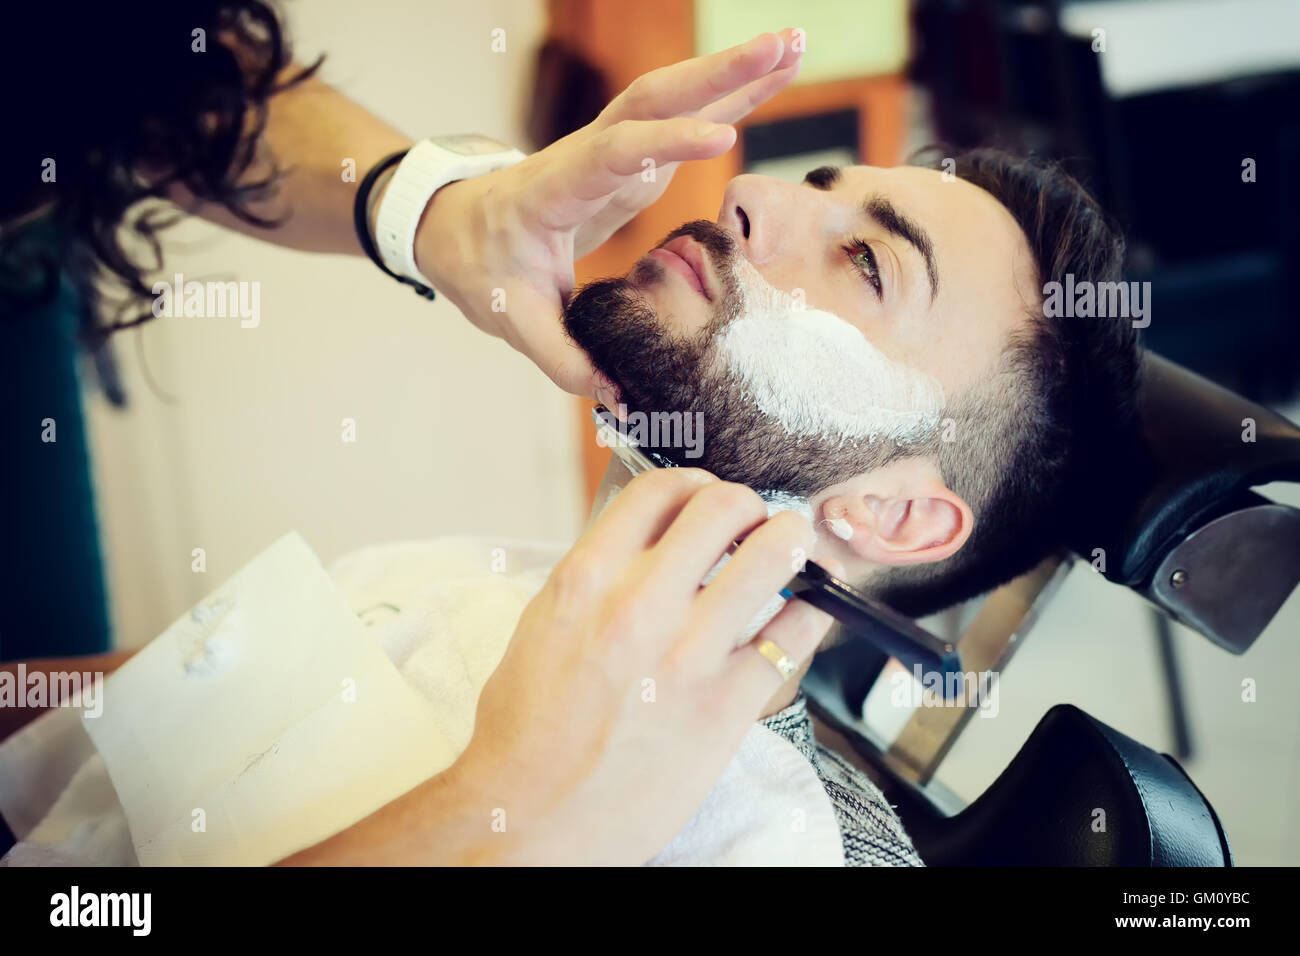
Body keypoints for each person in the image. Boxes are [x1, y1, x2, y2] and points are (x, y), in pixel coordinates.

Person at [0, 5, 834, 865]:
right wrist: (500, 810)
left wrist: (441, 208)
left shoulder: (767, 837)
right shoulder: (446, 580)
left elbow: (147, 64)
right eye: (813, 183)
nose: (747, 189)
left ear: (902, 517)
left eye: (871, 264)